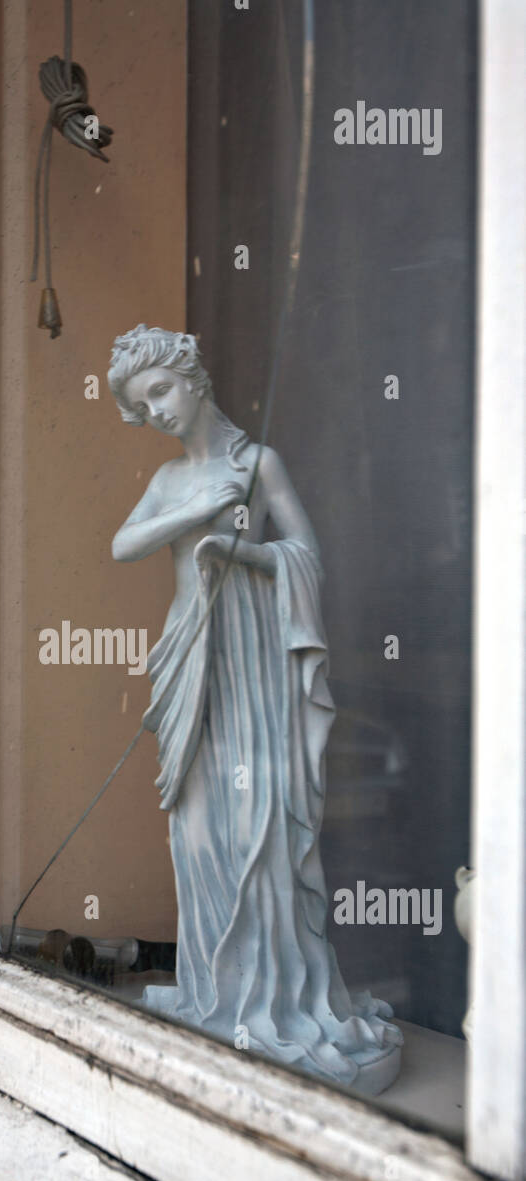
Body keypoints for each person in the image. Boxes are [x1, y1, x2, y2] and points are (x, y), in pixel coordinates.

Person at [108, 324, 402, 1093]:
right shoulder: (177, 480)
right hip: (194, 661)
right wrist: (197, 513)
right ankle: (219, 992)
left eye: (163, 391)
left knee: (261, 828)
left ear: (193, 376)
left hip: (257, 668)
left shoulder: (259, 463)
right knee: (199, 826)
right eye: (144, 405)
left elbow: (309, 555)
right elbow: (123, 545)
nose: (159, 412)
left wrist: (241, 553)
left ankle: (274, 998)